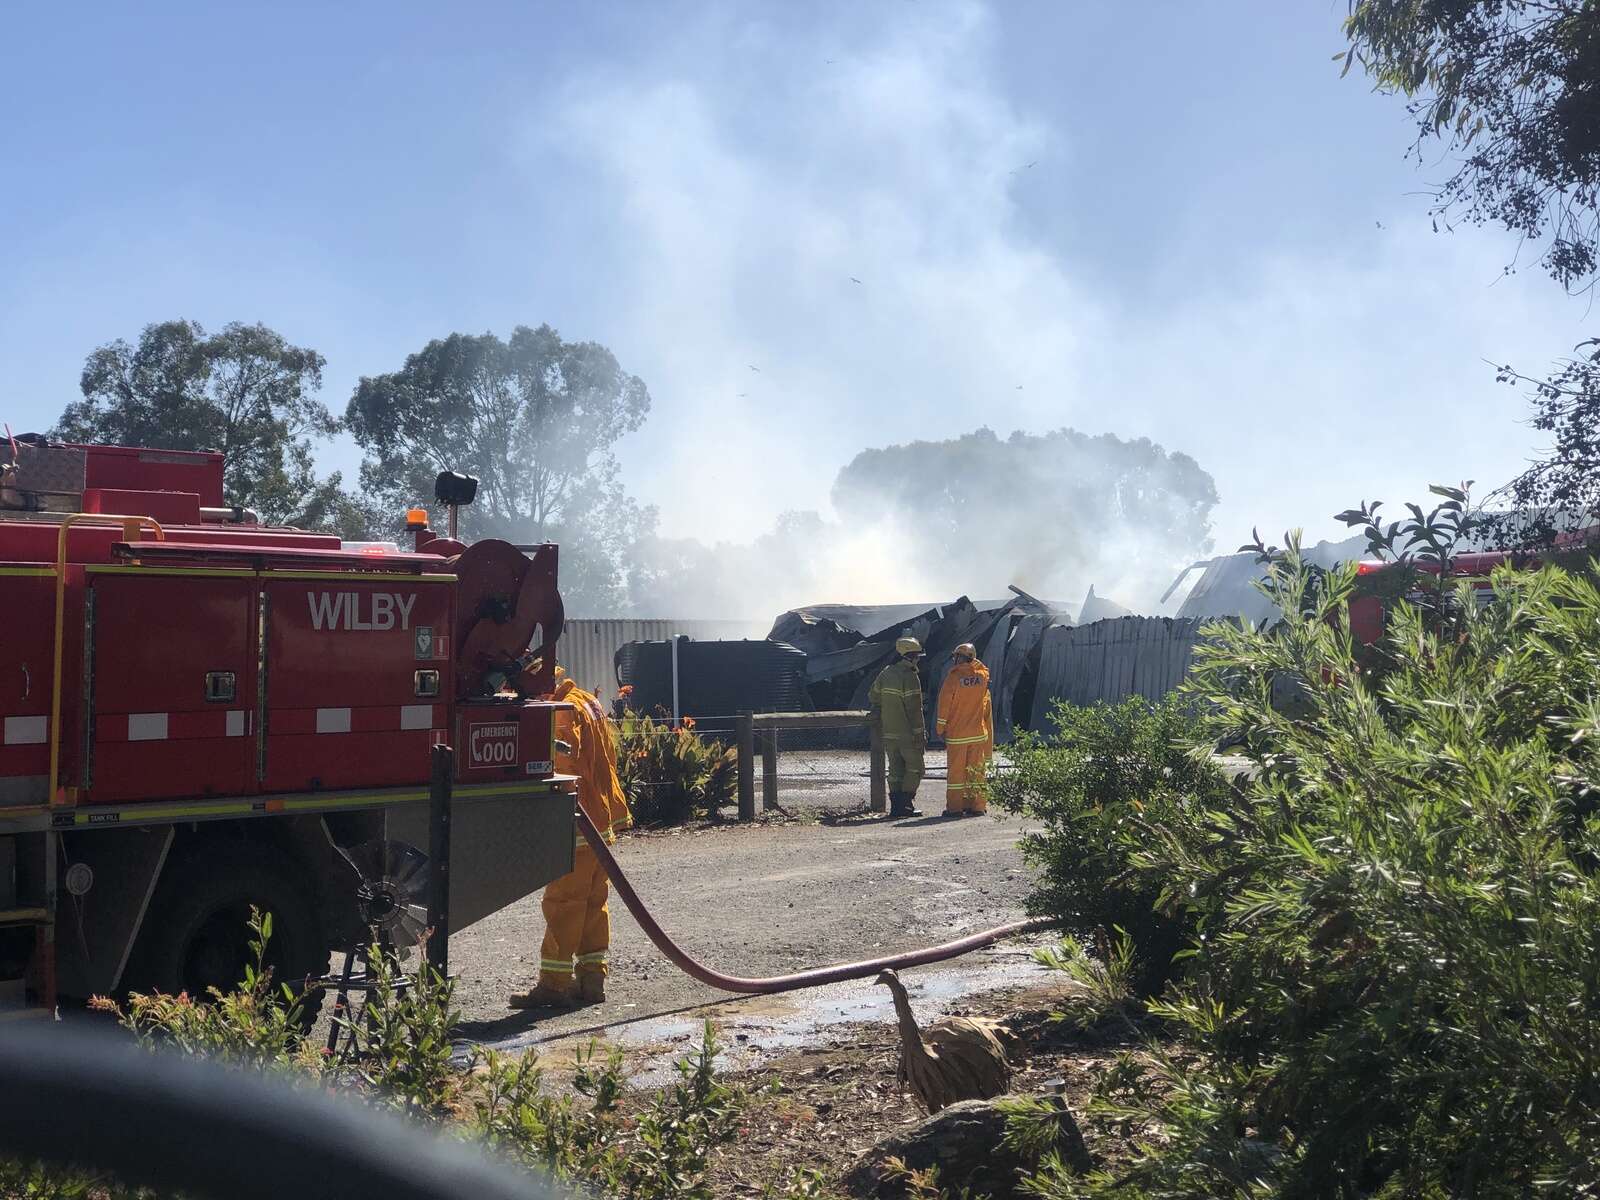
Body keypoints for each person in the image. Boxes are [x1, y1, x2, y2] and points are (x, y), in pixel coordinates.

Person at [510, 665, 632, 1009]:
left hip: (577, 824)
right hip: (600, 820)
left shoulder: (562, 711)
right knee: (594, 903)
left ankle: (554, 984)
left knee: (565, 901)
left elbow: (562, 760)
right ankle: (592, 981)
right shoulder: (587, 702)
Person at [869, 636, 927, 818]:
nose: (918, 659)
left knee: (895, 770)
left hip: (889, 733)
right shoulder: (910, 677)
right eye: (917, 656)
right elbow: (914, 710)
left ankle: (896, 808)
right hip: (907, 734)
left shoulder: (885, 674)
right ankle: (905, 805)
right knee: (916, 768)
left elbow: (873, 696)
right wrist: (920, 734)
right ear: (908, 657)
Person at [936, 643, 993, 818]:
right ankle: (977, 806)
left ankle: (955, 808)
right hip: (978, 734)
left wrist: (940, 728)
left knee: (956, 774)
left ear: (963, 658)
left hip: (958, 735)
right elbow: (985, 705)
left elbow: (944, 705)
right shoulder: (983, 677)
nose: (955, 660)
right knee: (976, 772)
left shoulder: (953, 678)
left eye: (957, 657)